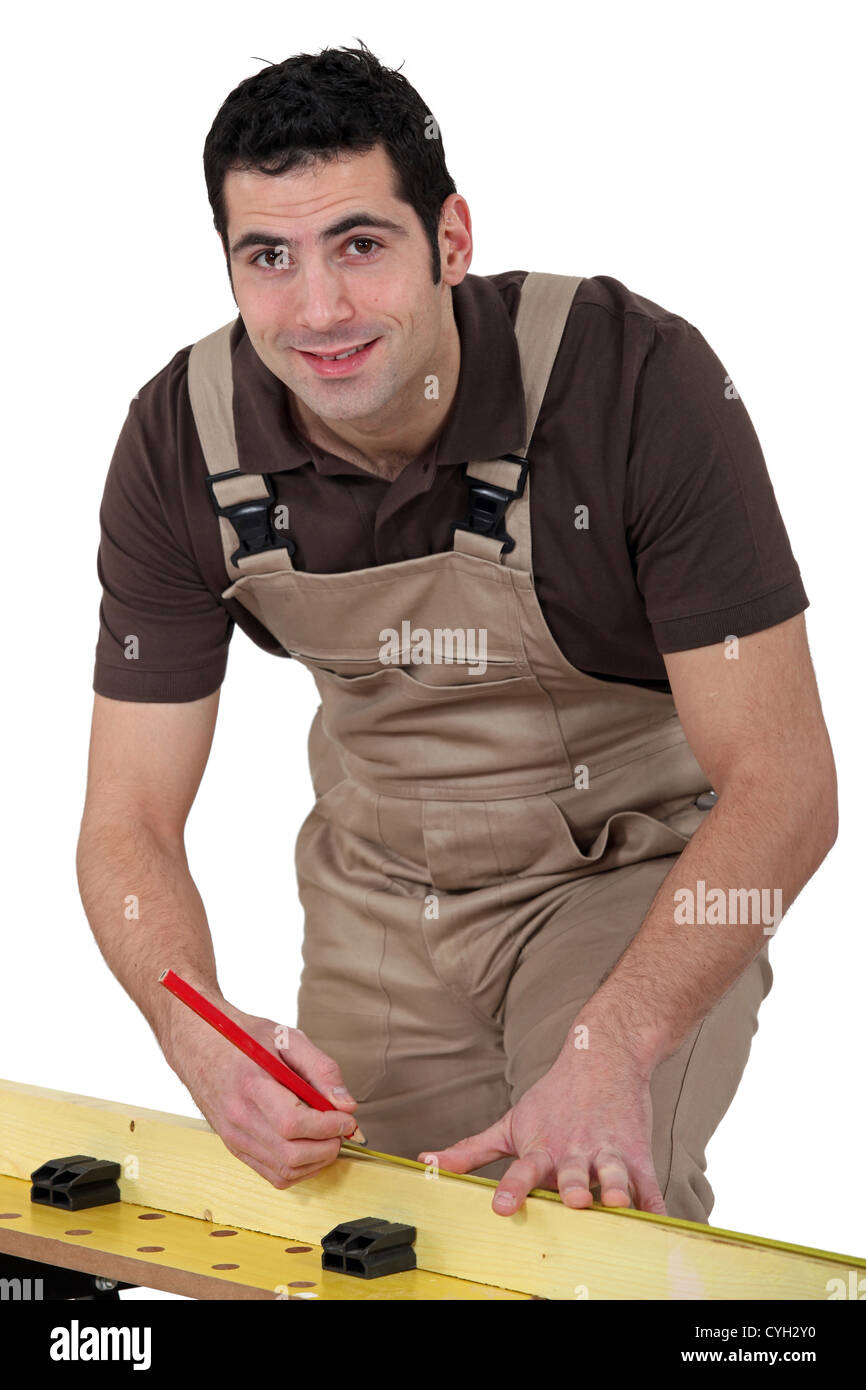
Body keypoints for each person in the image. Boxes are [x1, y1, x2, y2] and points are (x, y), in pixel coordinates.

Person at [76, 43, 837, 1225]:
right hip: (377, 894)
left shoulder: (632, 382)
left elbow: (785, 786)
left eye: (361, 244)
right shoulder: (180, 442)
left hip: (621, 874)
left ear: (451, 239)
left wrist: (612, 1049)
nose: (318, 309)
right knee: (365, 1242)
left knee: (582, 1226)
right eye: (267, 257)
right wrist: (199, 1031)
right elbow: (125, 822)